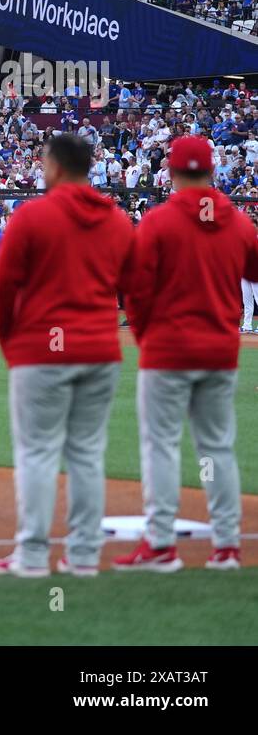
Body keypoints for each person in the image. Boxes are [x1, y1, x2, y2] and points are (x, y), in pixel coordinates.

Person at [0, 134, 135, 578]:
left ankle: (32, 555)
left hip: (41, 349)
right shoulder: (118, 220)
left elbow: (3, 288)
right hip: (100, 348)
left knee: (36, 454)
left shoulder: (32, 215)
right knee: (87, 454)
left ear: (54, 165)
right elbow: (135, 288)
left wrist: (11, 344)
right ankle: (85, 555)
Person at [118, 136, 258, 572]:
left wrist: (145, 335)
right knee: (217, 447)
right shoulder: (240, 224)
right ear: (212, 170)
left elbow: (135, 291)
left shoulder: (159, 223)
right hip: (219, 348)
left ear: (173, 172)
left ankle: (160, 544)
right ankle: (228, 545)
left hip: (168, 349)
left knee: (160, 446)